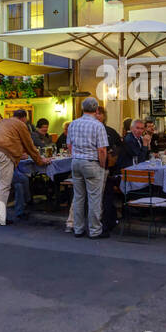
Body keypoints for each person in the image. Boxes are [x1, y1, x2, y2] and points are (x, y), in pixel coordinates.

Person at [66, 98, 109, 238]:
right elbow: (102, 150)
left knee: (78, 197)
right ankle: (95, 230)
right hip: (91, 162)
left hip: (76, 161)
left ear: (82, 109)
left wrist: (75, 156)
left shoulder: (73, 124)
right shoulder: (98, 125)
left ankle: (78, 228)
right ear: (96, 110)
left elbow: (69, 146)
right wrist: (102, 166)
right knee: (94, 198)